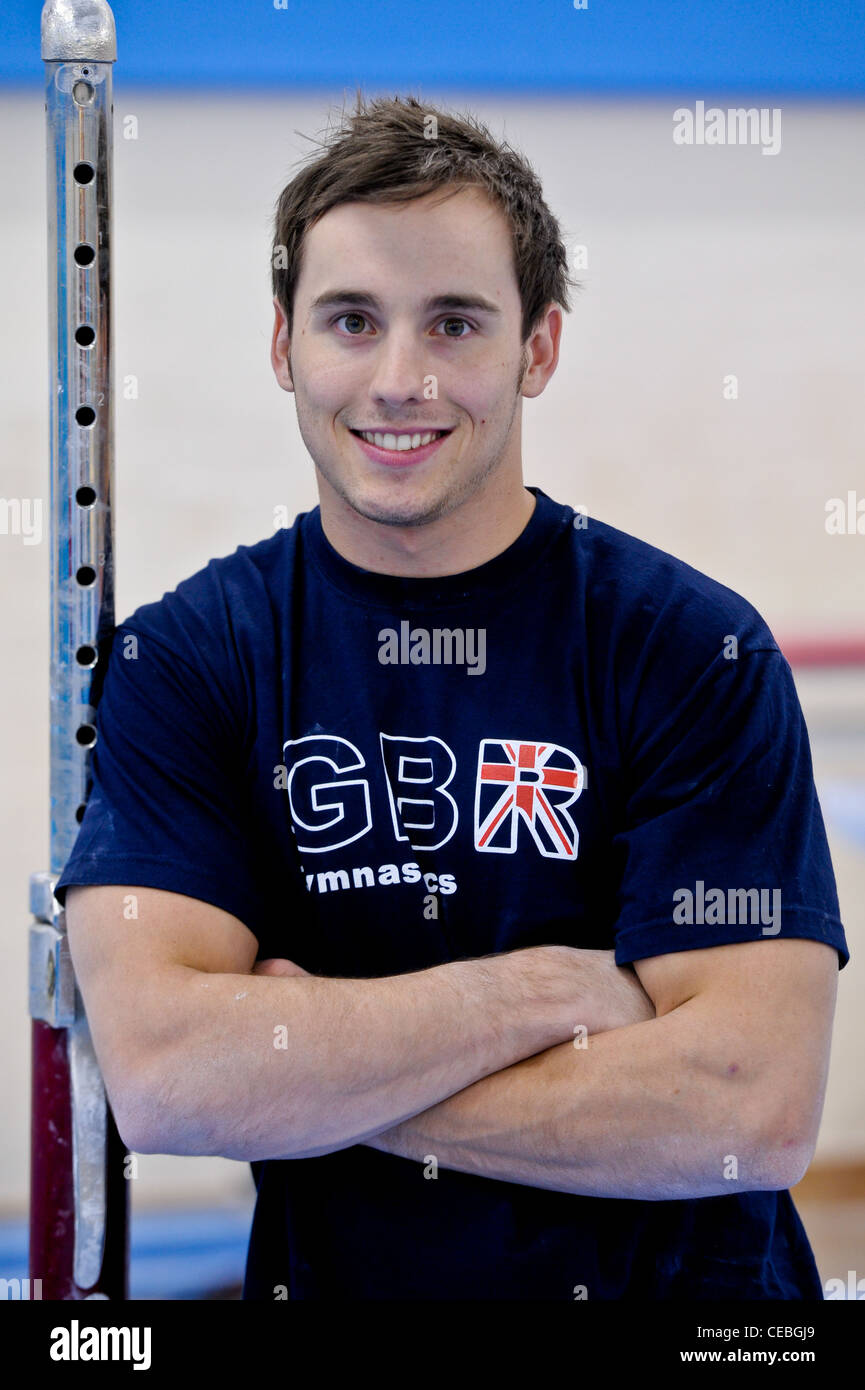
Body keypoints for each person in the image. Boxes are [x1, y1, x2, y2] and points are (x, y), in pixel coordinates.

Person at [56, 93, 848, 1301]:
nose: (399, 379)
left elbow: (747, 1103)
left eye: (456, 324)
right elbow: (167, 1079)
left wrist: (311, 1065)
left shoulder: (694, 651)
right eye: (351, 321)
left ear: (537, 347)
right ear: (283, 345)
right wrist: (542, 993)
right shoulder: (192, 662)